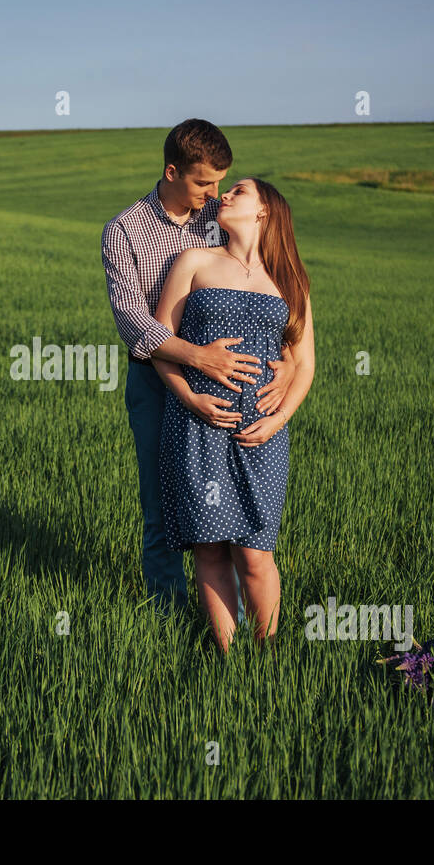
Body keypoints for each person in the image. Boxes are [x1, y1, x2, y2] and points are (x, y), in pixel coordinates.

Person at [102, 120, 298, 621]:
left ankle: (233, 618)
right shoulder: (125, 231)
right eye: (204, 182)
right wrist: (197, 358)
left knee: (231, 518)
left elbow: (275, 284)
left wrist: (289, 365)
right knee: (162, 509)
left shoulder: (220, 214)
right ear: (172, 171)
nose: (214, 194)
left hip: (233, 386)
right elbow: (134, 322)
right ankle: (171, 616)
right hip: (155, 378)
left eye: (220, 183)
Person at [152, 176, 314, 653]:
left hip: (261, 434)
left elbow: (304, 365)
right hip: (197, 427)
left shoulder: (290, 279)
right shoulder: (195, 261)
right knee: (209, 547)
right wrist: (192, 400)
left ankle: (265, 660)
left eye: (239, 191)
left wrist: (278, 419)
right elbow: (161, 345)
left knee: (256, 551)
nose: (224, 195)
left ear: (264, 212)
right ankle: (226, 660)